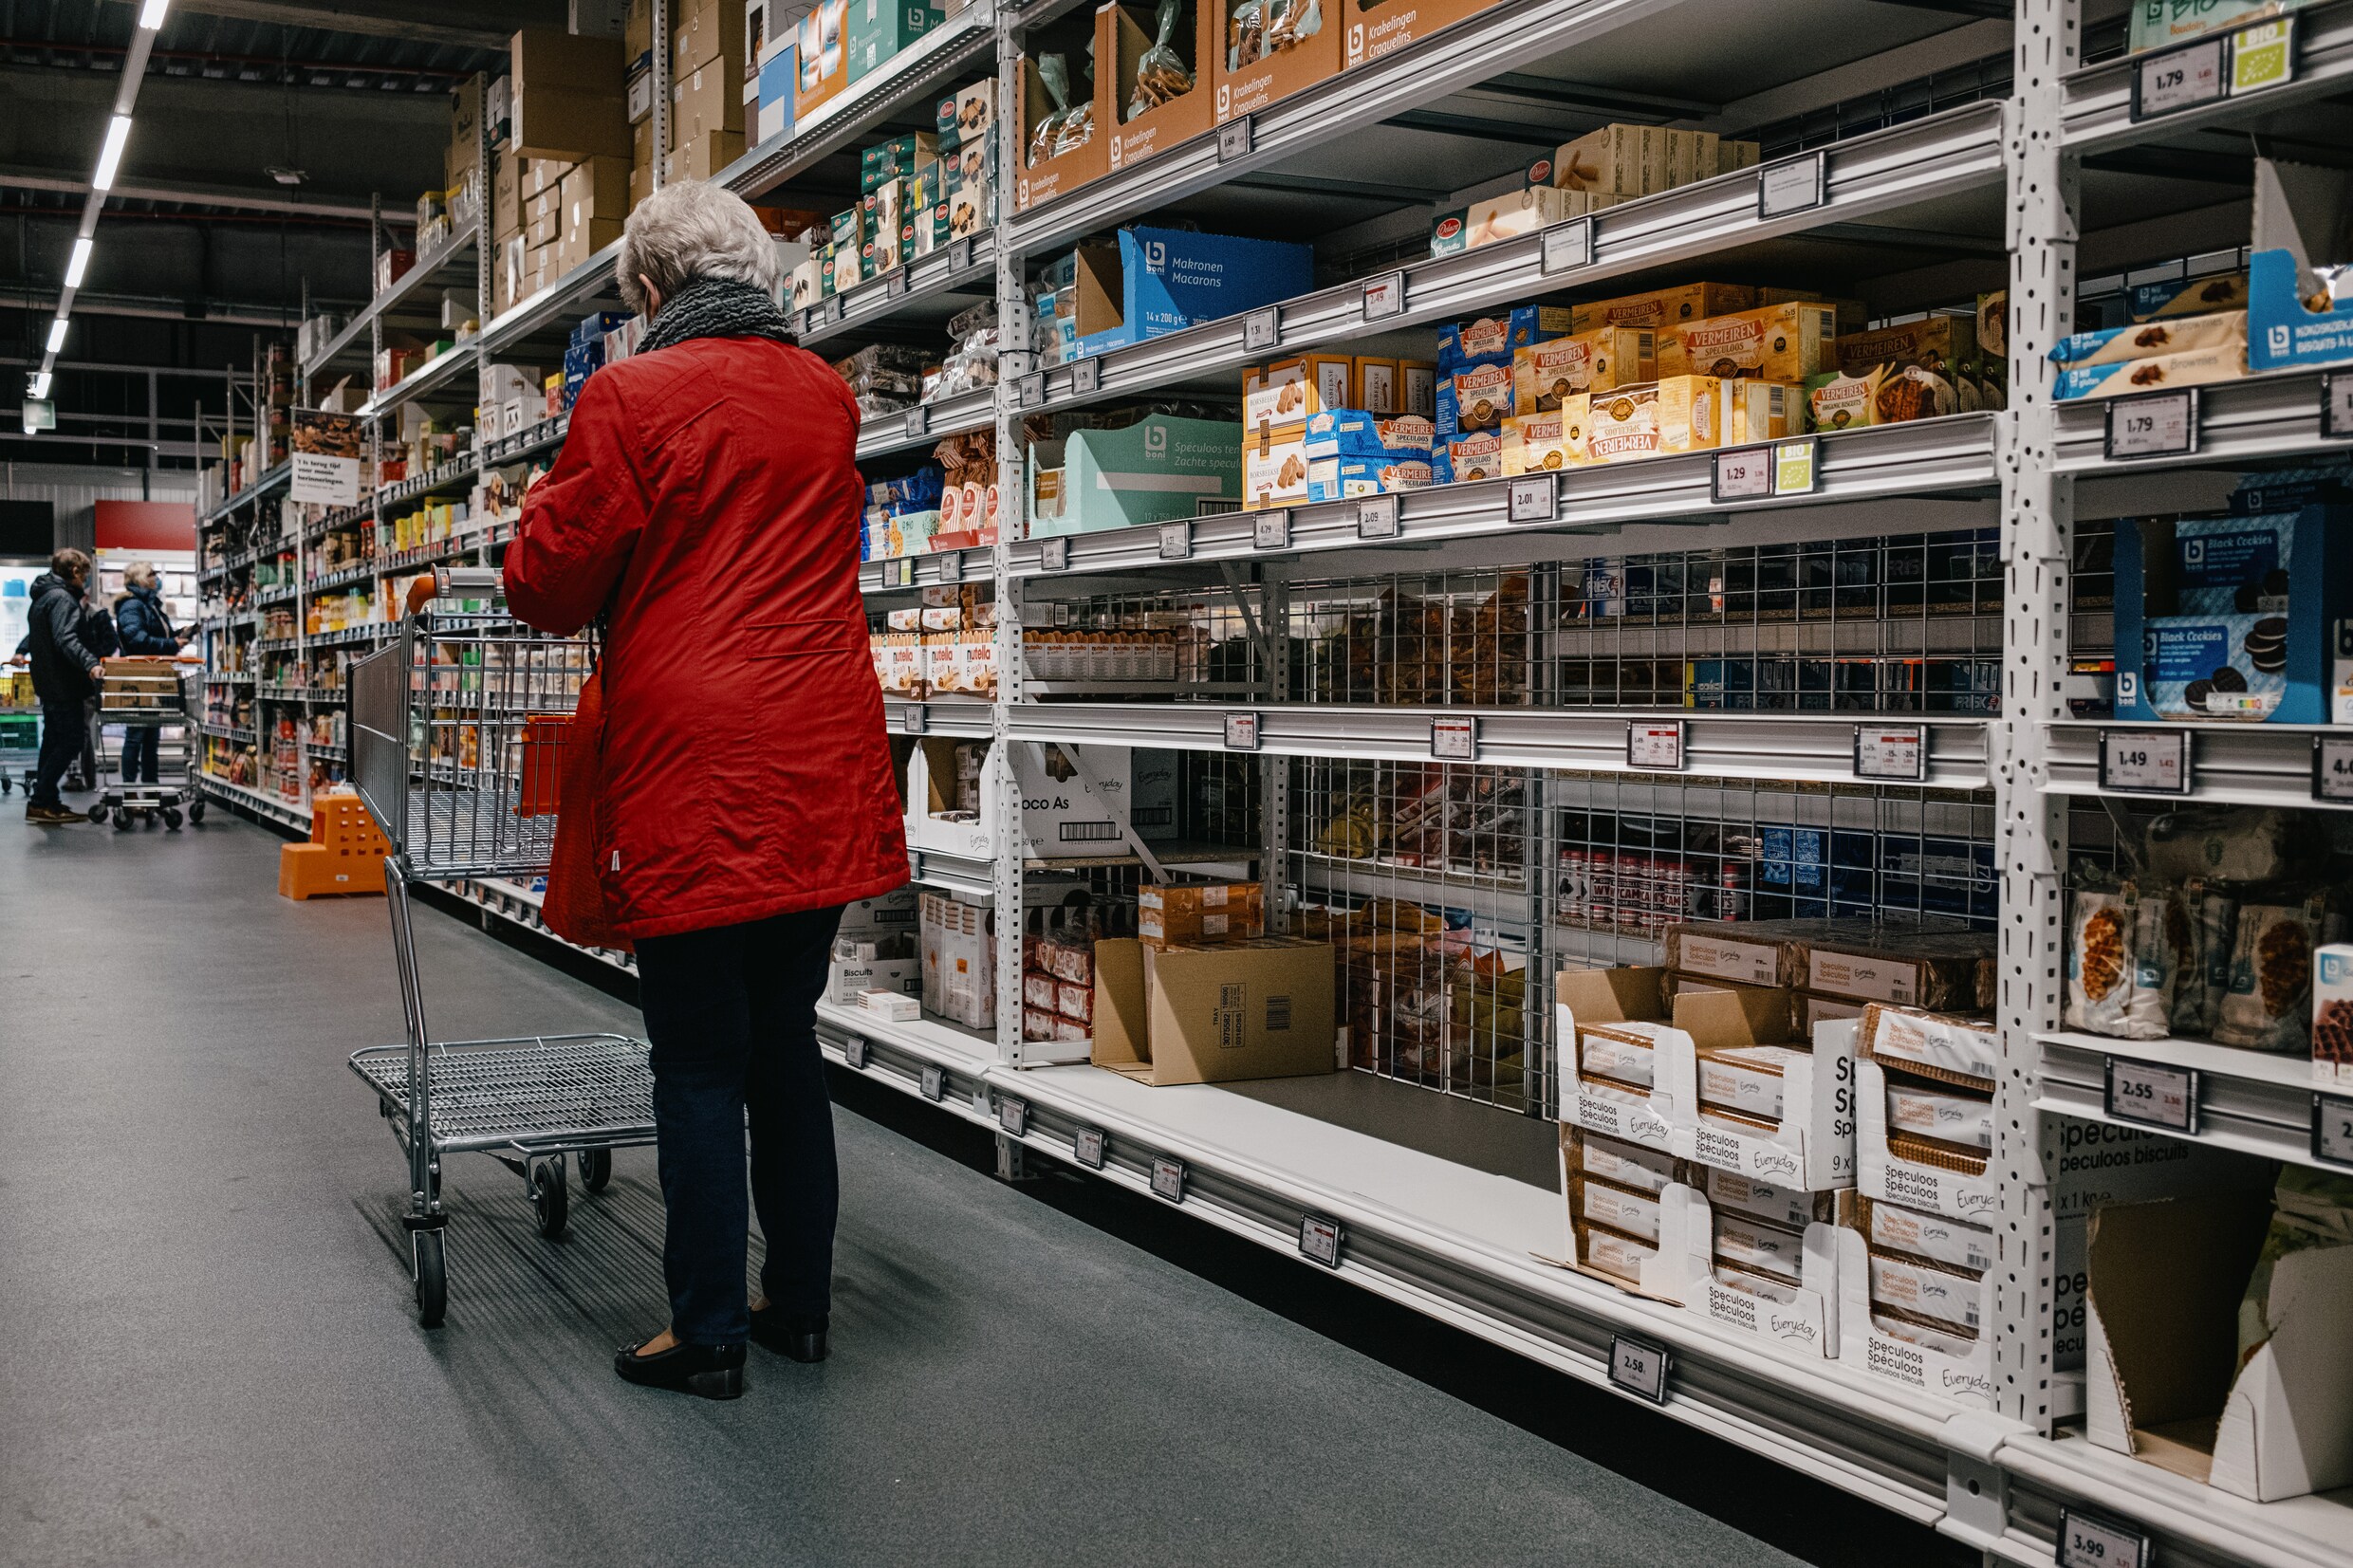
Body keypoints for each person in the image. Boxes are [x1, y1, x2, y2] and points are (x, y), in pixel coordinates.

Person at [503, 180, 910, 1402]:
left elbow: (550, 586)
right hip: (824, 741)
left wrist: (536, 515)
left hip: (694, 762)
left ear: (645, 288)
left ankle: (705, 1331)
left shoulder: (627, 394)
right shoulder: (825, 393)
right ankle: (799, 1309)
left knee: (694, 1060)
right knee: (785, 1043)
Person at [23, 549, 107, 824]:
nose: (86, 579)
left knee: (52, 740)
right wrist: (90, 664)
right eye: (85, 573)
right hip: (64, 684)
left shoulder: (43, 597)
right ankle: (41, 798)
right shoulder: (62, 598)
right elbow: (66, 638)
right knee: (72, 739)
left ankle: (47, 803)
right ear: (74, 572)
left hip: (49, 682)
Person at [112, 562, 185, 786]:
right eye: (152, 574)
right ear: (141, 579)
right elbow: (137, 640)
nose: (157, 578)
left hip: (155, 678)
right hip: (138, 679)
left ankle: (150, 789)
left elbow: (157, 636)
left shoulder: (151, 605)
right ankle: (130, 789)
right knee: (136, 735)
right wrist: (171, 643)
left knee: (151, 738)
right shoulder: (132, 605)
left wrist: (180, 635)